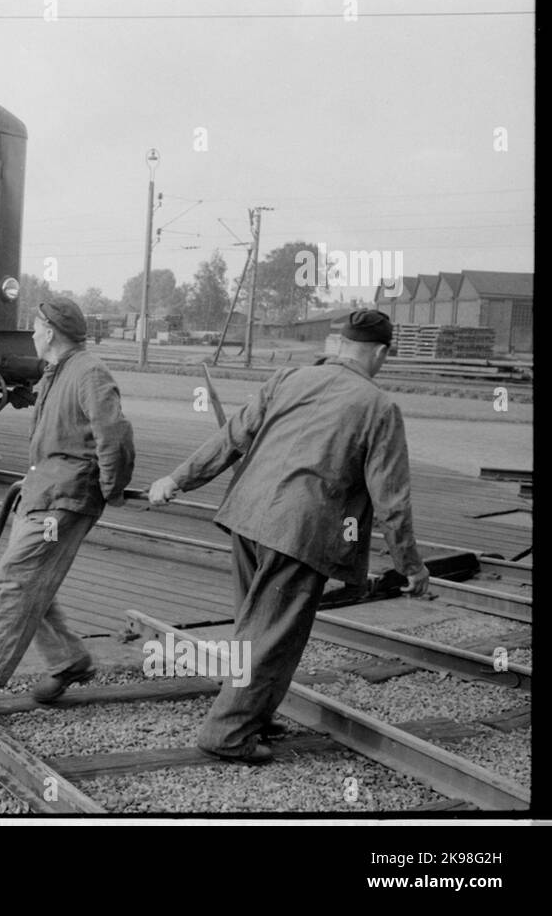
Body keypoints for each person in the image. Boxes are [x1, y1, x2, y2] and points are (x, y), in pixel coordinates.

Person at [148, 310, 430, 764]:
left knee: (252, 628)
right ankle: (228, 734)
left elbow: (230, 438)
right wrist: (411, 567)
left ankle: (253, 712)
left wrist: (177, 480)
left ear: (339, 344)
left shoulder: (288, 379)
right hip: (299, 531)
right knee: (273, 636)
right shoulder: (379, 407)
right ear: (380, 353)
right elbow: (392, 500)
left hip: (246, 517)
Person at [0, 296, 135, 705]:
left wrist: (111, 488)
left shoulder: (89, 373)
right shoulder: (59, 371)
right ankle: (70, 661)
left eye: (36, 327)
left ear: (51, 332)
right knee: (30, 582)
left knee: (18, 578)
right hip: (44, 490)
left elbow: (114, 435)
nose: (31, 334)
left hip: (66, 496)